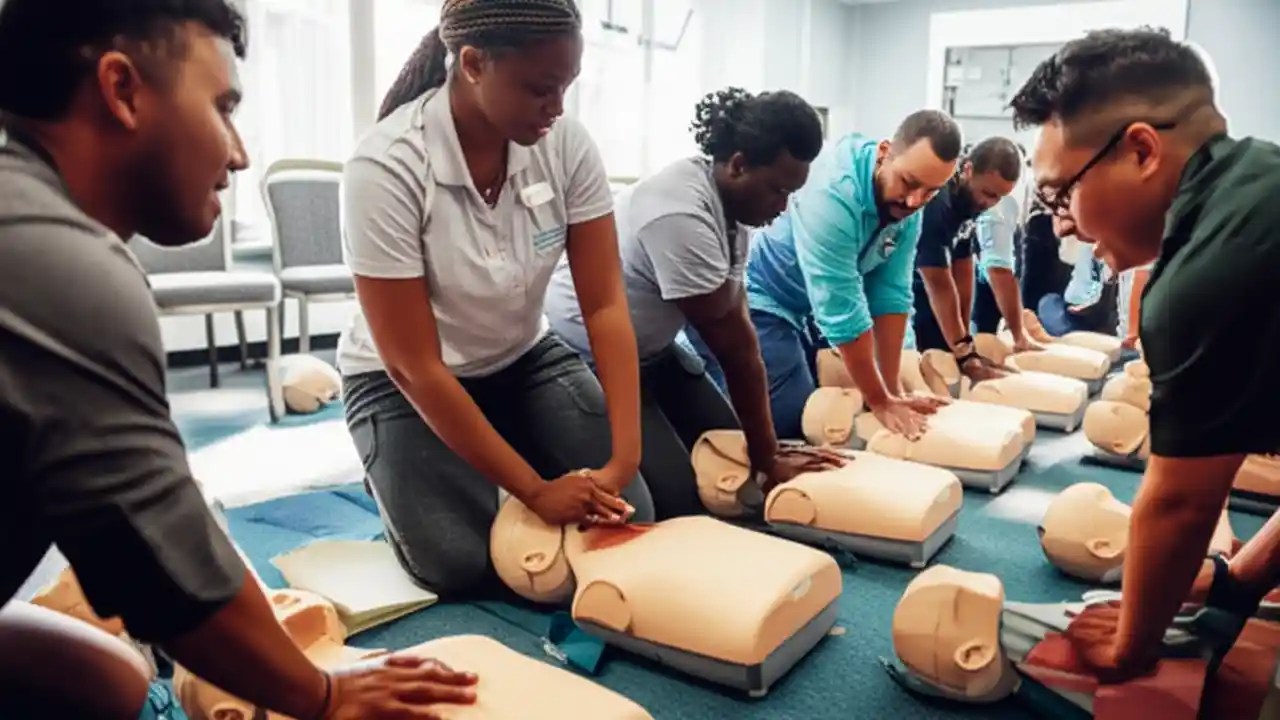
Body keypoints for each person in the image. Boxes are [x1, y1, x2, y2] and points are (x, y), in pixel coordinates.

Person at [0, 1, 478, 718]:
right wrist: (323, 695)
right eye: (223, 107)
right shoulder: (53, 259)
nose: (239, 152)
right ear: (121, 89)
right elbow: (160, 572)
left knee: (108, 678)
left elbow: (162, 509)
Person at [338, 0, 653, 599]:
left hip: (520, 358)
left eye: (566, 87)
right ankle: (399, 466)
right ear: (475, 63)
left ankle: (494, 456)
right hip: (401, 380)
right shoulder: (385, 166)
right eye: (540, 88)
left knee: (628, 510)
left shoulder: (565, 145)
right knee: (457, 563)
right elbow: (415, 365)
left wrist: (623, 462)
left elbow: (606, 306)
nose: (557, 108)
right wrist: (534, 490)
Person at [1010, 26, 1280, 682]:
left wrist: (1133, 644)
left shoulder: (1208, 275)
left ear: (1140, 150)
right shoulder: (1256, 182)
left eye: (1059, 193)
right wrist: (1236, 581)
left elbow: (1182, 502)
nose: (1061, 222)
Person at [545, 87, 836, 519]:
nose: (783, 206)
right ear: (738, 164)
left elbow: (736, 322)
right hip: (588, 354)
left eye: (791, 193)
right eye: (777, 190)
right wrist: (769, 456)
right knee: (679, 500)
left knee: (730, 456)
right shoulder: (678, 212)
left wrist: (764, 453)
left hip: (654, 349)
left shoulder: (734, 206)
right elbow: (735, 348)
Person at [741, 110, 962, 440]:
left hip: (810, 311)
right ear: (885, 153)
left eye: (931, 192)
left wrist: (892, 393)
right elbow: (842, 307)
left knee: (856, 396)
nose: (916, 200)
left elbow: (891, 294)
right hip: (764, 299)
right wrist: (880, 400)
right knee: (791, 416)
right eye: (909, 183)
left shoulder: (910, 204)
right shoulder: (831, 193)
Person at [909, 136, 1031, 379]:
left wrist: (965, 341)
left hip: (937, 298)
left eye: (998, 197)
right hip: (912, 301)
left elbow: (963, 268)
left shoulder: (969, 205)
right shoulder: (938, 203)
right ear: (968, 170)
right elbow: (939, 282)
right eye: (987, 193)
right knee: (930, 375)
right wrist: (963, 352)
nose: (989, 203)